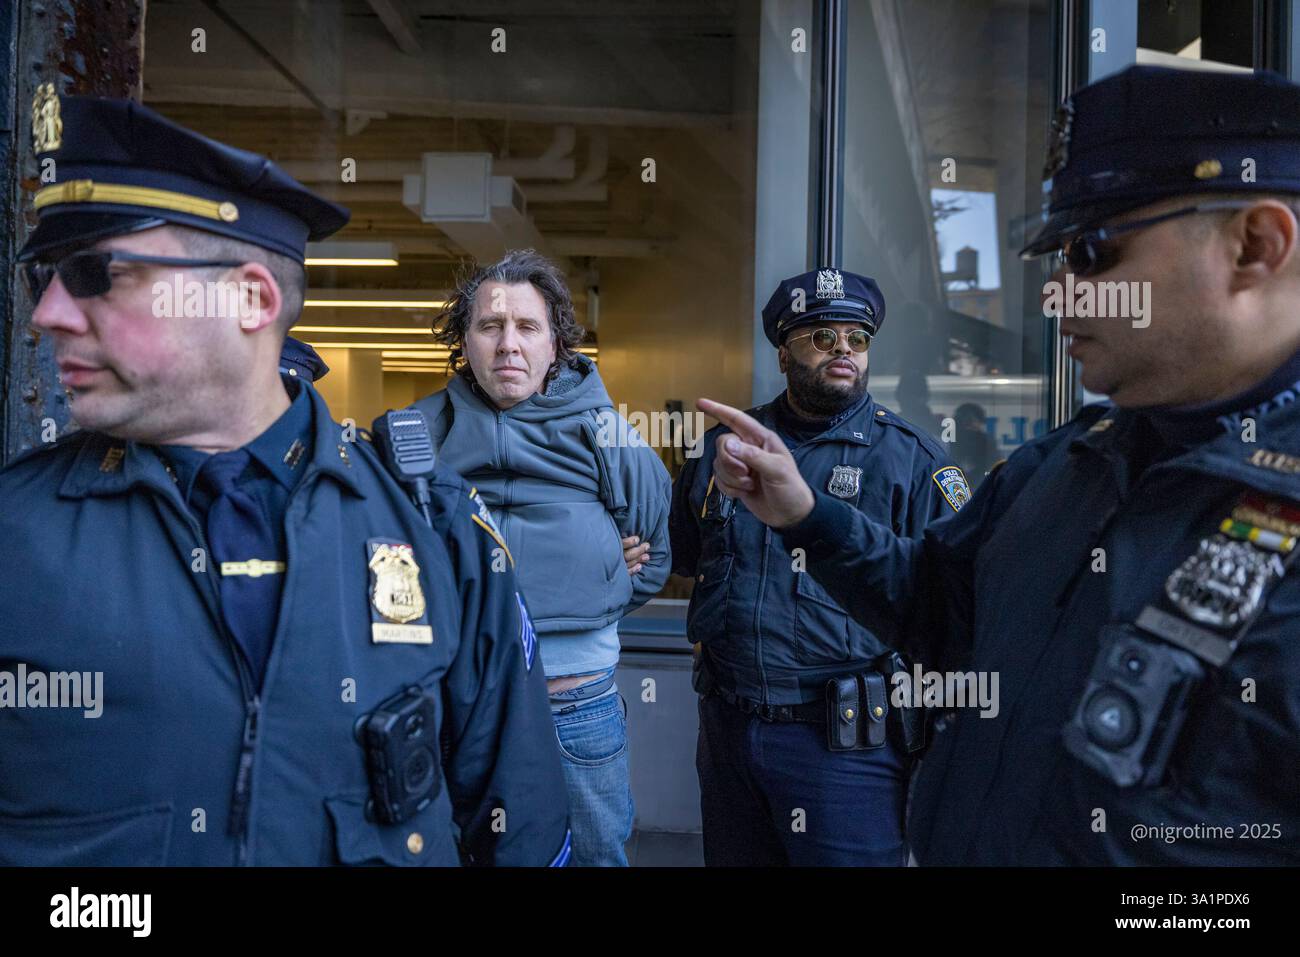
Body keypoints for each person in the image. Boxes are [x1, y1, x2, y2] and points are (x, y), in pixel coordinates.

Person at [697, 64, 1300, 865]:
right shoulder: (1064, 465)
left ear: (1255, 245)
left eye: (1090, 251)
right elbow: (939, 608)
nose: (1058, 295)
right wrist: (807, 515)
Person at [0, 93, 570, 866]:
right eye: (46, 279)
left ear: (250, 298)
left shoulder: (436, 529)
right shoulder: (17, 533)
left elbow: (522, 823)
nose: (50, 314)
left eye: (97, 272)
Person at [671, 268, 969, 866]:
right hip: (728, 730)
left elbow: (954, 606)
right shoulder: (722, 451)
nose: (843, 351)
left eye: (857, 339)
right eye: (821, 337)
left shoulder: (913, 461)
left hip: (844, 750)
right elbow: (683, 559)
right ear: (783, 353)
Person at [395, 249, 672, 866]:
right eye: (490, 326)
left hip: (573, 701)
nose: (508, 345)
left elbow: (652, 553)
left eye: (527, 327)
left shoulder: (610, 436)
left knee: (595, 856)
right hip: (459, 704)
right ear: (464, 342)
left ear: (558, 345)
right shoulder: (417, 431)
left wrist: (599, 578)